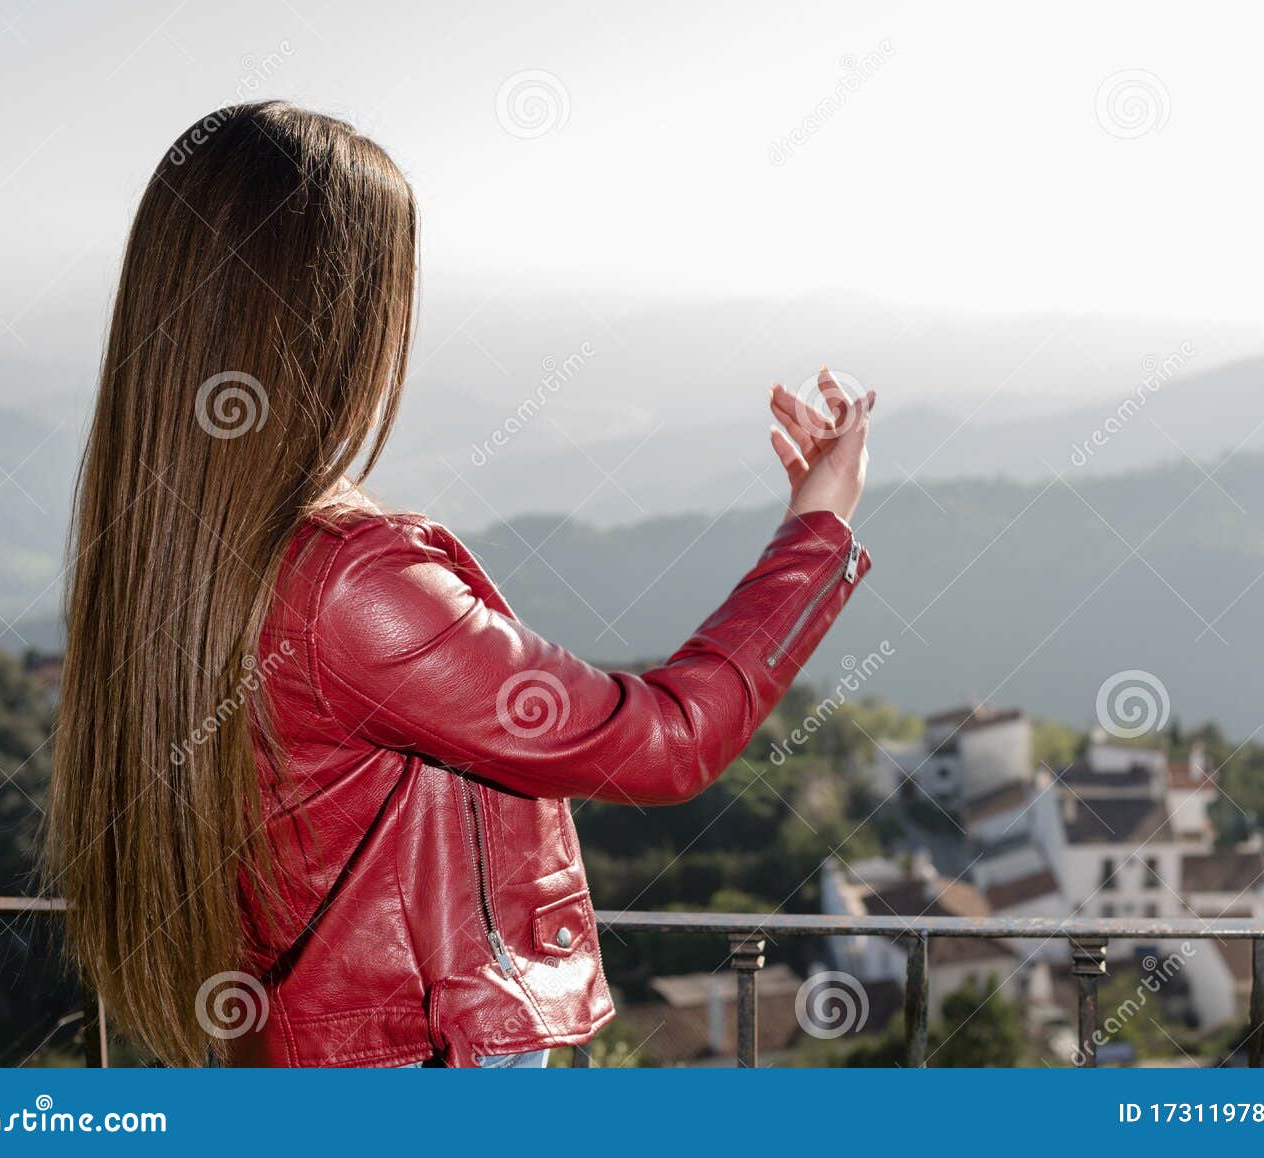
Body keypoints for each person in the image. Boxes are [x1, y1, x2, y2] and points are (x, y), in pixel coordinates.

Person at [45, 102, 874, 1068]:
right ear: (332, 314)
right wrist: (820, 528)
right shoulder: (350, 586)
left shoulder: (170, 552)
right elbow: (666, 742)